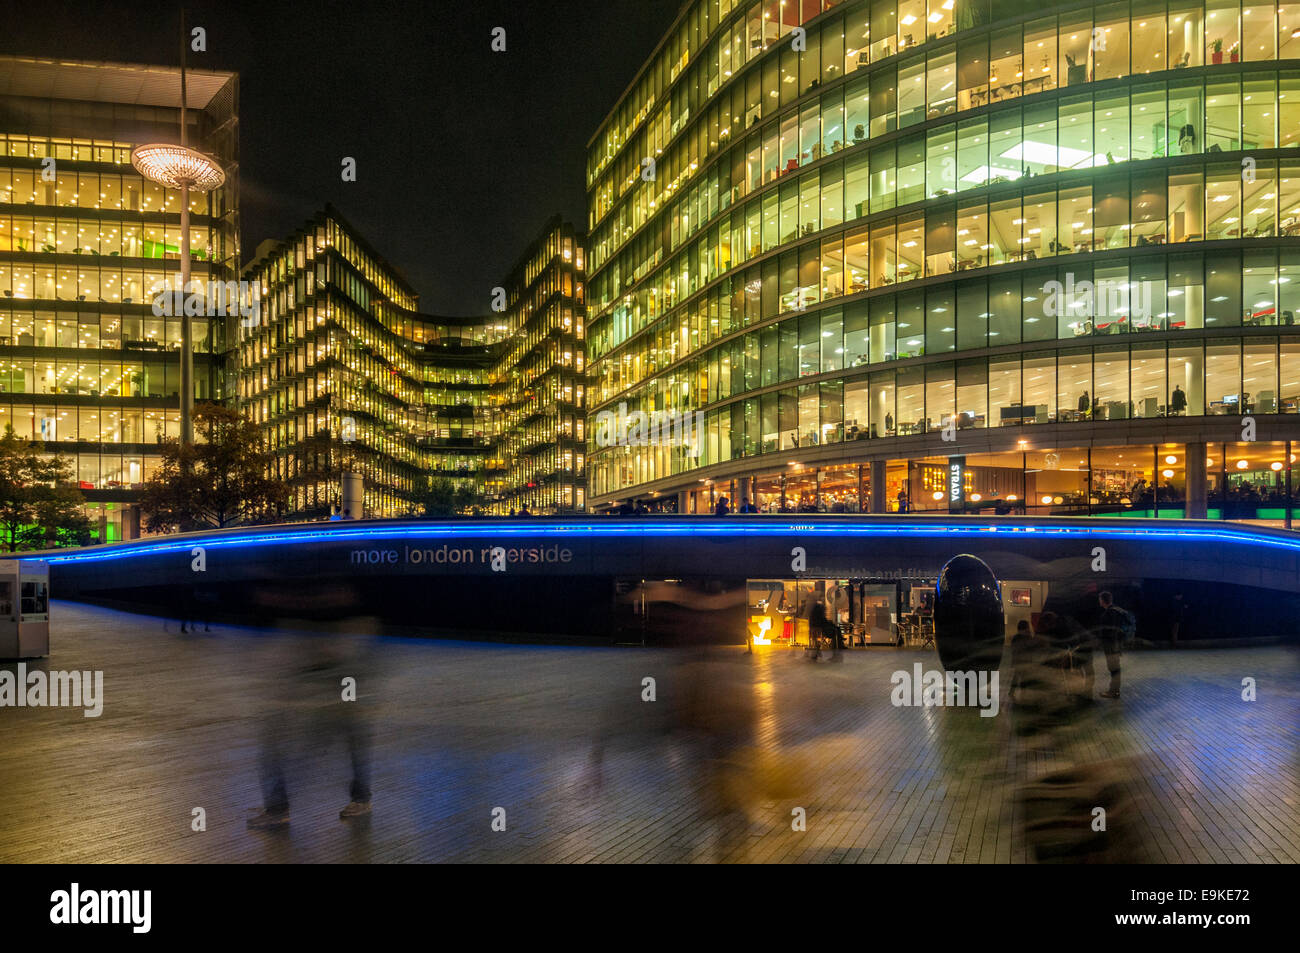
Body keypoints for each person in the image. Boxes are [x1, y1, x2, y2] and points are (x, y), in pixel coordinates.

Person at [1096, 591, 1126, 699]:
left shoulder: (1109, 613)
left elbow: (1110, 631)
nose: (1099, 601)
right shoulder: (1117, 611)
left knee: (1114, 668)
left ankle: (1113, 691)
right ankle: (1115, 690)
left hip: (1111, 645)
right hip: (1116, 644)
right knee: (1115, 668)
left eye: (1100, 599)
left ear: (1102, 600)